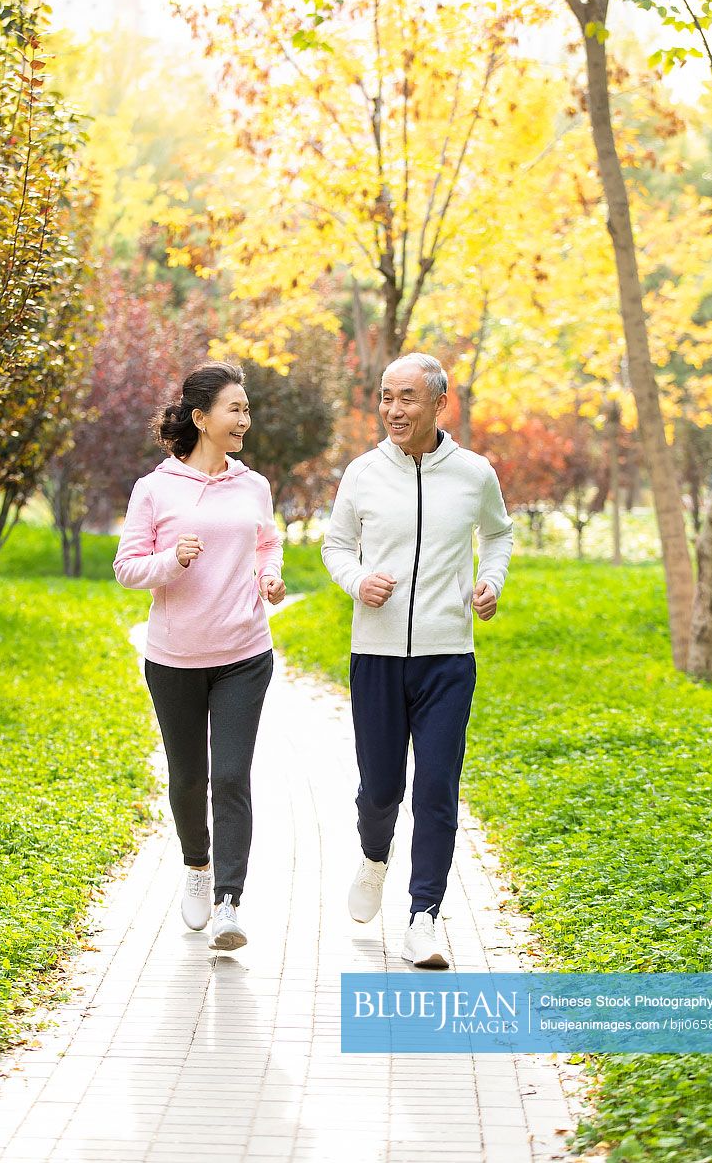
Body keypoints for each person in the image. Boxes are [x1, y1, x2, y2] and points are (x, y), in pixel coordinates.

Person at [322, 352, 513, 969]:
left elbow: (500, 533)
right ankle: (375, 856)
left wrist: (491, 581)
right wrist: (356, 581)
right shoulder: (362, 473)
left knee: (436, 787)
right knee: (380, 788)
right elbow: (336, 543)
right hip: (375, 654)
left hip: (447, 657)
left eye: (406, 398)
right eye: (385, 397)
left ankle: (423, 917)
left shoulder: (475, 473)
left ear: (438, 403)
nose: (393, 410)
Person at [113, 361, 285, 952]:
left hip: (244, 653)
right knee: (188, 780)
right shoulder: (155, 488)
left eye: (246, 409)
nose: (245, 419)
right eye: (234, 409)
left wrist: (270, 576)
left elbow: (268, 541)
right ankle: (196, 867)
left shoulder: (254, 485)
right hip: (174, 660)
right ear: (200, 417)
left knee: (231, 776)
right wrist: (171, 562)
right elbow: (127, 566)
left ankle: (228, 902)